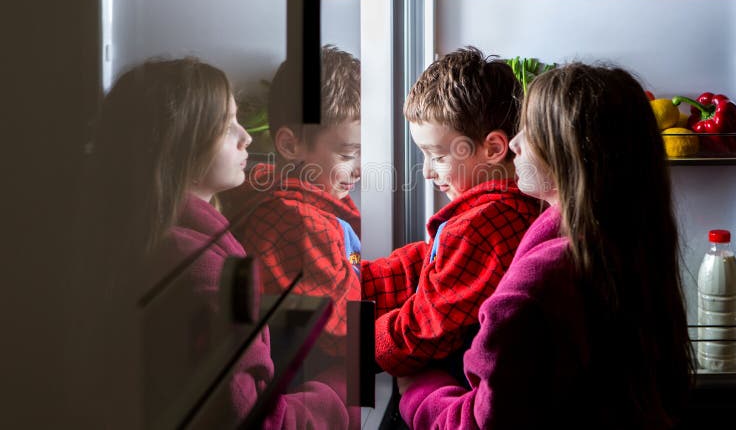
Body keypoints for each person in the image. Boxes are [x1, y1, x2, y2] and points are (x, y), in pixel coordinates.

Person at [397, 63, 694, 429]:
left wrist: (420, 390)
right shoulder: (627, 243)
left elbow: (479, 423)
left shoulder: (533, 288)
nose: (515, 143)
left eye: (530, 130)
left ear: (569, 152)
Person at [75, 58, 349, 429]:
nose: (246, 136)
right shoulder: (203, 270)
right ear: (178, 146)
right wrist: (339, 388)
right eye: (225, 126)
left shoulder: (151, 238)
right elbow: (253, 421)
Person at [361, 46, 542, 382]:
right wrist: (355, 281)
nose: (428, 172)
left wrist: (355, 345)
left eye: (438, 157)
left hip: (464, 389)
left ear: (493, 148)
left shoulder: (484, 226)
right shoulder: (493, 211)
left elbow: (427, 329)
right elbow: (427, 265)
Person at [224, 44, 362, 368]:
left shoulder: (317, 197)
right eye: (346, 155)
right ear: (290, 145)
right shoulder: (297, 222)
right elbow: (346, 331)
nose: (359, 169)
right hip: (310, 381)